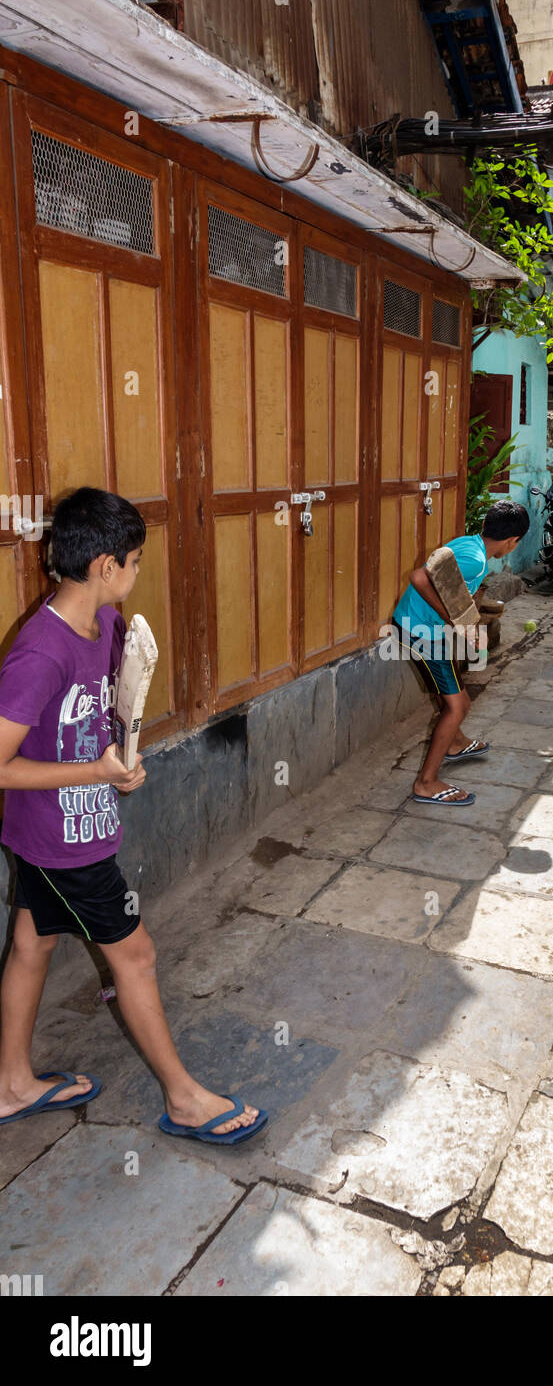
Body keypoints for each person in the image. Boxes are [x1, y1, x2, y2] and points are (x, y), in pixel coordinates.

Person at [0, 488, 266, 1145]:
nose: (140, 572)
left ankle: (11, 1084)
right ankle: (185, 1100)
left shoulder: (108, 626)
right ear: (103, 568)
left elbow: (108, 717)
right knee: (137, 956)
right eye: (137, 561)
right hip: (62, 842)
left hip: (72, 828)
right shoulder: (40, 653)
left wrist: (119, 759)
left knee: (34, 944)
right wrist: (96, 774)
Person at [393, 500, 529, 806]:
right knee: (457, 708)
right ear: (511, 541)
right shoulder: (476, 560)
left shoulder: (472, 545)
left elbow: (455, 589)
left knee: (461, 702)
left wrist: (468, 623)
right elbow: (419, 577)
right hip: (420, 632)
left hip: (426, 629)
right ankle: (426, 783)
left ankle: (454, 743)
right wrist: (451, 617)